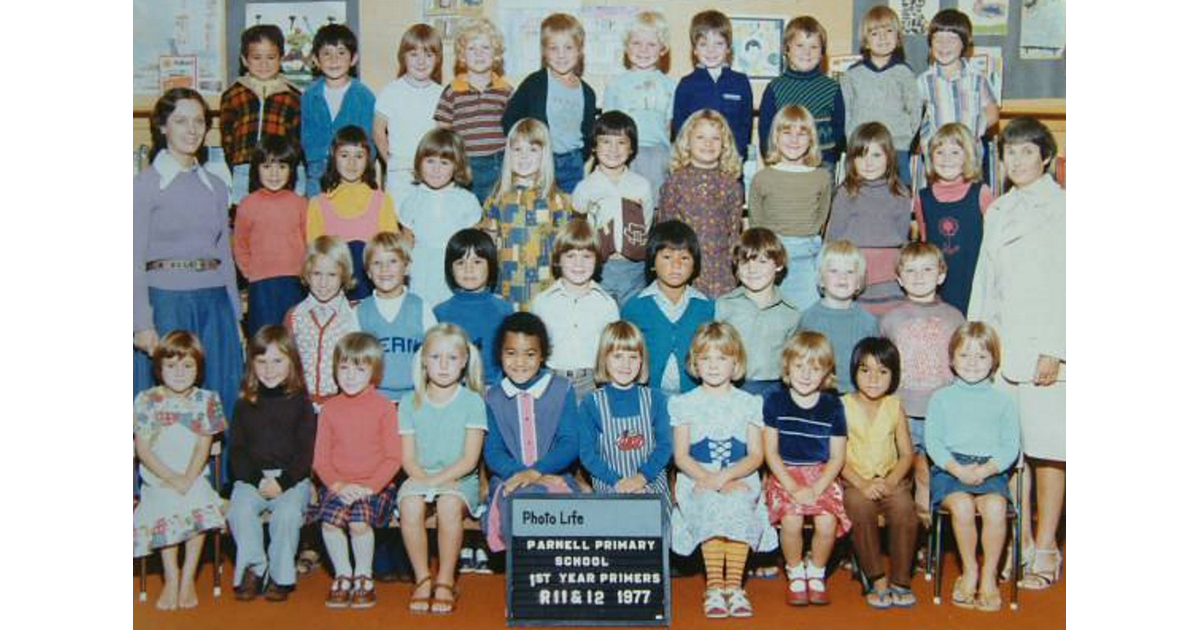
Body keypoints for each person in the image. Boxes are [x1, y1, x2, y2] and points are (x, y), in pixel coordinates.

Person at [968, 117, 1065, 592]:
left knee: (1049, 451)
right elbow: (985, 280)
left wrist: (1057, 349)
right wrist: (977, 341)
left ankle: (1046, 546)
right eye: (1011, 153)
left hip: (1048, 350)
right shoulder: (998, 209)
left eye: (1029, 152)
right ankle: (1019, 543)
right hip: (1003, 346)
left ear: (1046, 156)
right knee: (1011, 451)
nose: (1019, 160)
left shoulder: (1066, 209)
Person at [134, 88, 243, 422]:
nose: (192, 129)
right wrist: (141, 323)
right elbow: (131, 259)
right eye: (181, 121)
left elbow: (224, 254)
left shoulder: (216, 185)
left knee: (218, 399)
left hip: (214, 306)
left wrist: (236, 318)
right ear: (162, 127)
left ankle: (217, 475)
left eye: (199, 121)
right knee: (166, 407)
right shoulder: (145, 185)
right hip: (165, 303)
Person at [670, 323, 777, 619]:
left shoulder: (750, 403)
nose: (713, 366)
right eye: (706, 358)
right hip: (697, 476)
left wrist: (726, 477)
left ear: (736, 362)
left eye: (721, 358)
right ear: (695, 362)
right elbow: (681, 455)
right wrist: (708, 479)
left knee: (737, 502)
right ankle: (715, 585)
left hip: (740, 474)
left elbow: (756, 455)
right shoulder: (684, 403)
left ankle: (734, 586)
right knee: (710, 502)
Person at [925, 322, 1020, 613]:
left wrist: (987, 469)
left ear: (994, 360)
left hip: (990, 469)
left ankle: (989, 576)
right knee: (963, 507)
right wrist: (957, 469)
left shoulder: (1004, 401)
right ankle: (970, 571)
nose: (973, 363)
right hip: (951, 469)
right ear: (952, 359)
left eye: (981, 357)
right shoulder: (941, 398)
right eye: (965, 356)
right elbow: (934, 442)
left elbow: (1009, 446)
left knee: (993, 509)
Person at [397, 324, 488, 614]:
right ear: (424, 360)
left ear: (464, 362)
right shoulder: (409, 402)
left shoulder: (473, 402)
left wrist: (438, 482)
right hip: (420, 475)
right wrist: (425, 481)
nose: (444, 366)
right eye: (436, 357)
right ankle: (423, 577)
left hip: (460, 479)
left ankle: (446, 579)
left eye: (452, 358)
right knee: (410, 505)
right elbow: (409, 459)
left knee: (449, 506)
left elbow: (469, 461)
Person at [133, 331, 227, 611]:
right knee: (166, 509)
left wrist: (187, 478)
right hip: (158, 480)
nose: (179, 373)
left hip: (194, 477)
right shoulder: (147, 400)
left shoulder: (207, 400)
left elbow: (203, 447)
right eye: (171, 365)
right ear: (159, 367)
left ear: (199, 368)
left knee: (198, 505)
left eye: (187, 366)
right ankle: (171, 576)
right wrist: (170, 478)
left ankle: (188, 576)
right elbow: (143, 450)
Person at [313, 333, 404, 609]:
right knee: (330, 521)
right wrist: (338, 486)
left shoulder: (385, 408)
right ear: (335, 369)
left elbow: (393, 458)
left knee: (357, 521)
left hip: (375, 486)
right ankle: (343, 574)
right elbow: (320, 460)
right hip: (338, 484)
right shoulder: (329, 410)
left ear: (374, 373)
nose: (350, 376)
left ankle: (364, 575)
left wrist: (369, 487)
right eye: (344, 368)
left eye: (360, 369)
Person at [227, 325, 316, 603]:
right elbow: (237, 451)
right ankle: (255, 567)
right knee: (239, 510)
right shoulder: (244, 404)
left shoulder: (301, 403)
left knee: (288, 514)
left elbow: (306, 452)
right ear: (251, 364)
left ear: (292, 362)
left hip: (291, 479)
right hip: (252, 478)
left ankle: (281, 575)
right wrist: (258, 481)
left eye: (277, 361)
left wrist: (283, 482)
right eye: (261, 361)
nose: (269, 369)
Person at [481, 312, 583, 552]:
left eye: (530, 354)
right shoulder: (493, 396)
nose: (520, 362)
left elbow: (569, 442)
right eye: (511, 353)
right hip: (509, 478)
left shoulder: (561, 389)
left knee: (561, 509)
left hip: (553, 476)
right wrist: (522, 475)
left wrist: (537, 472)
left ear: (542, 356)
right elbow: (493, 451)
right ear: (500, 355)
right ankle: (525, 577)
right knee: (515, 507)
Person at [762, 331, 850, 607]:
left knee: (826, 521)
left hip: (820, 476)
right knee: (792, 519)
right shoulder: (775, 400)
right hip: (784, 474)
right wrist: (792, 487)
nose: (806, 375)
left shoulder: (833, 405)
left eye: (815, 368)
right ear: (787, 366)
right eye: (799, 366)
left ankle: (816, 572)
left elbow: (837, 458)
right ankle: (795, 571)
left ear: (826, 372)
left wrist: (816, 487)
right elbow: (771, 452)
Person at [878, 242, 964, 520]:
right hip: (901, 411)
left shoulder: (954, 316)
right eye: (911, 270)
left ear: (941, 275)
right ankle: (905, 539)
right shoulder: (889, 319)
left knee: (929, 477)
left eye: (927, 269)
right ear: (900, 279)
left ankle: (928, 542)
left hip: (941, 413)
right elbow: (881, 369)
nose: (919, 276)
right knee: (900, 478)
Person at [839, 337, 918, 609]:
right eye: (865, 370)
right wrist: (861, 483)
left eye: (882, 372)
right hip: (854, 481)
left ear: (893, 376)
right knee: (859, 507)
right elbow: (835, 457)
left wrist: (891, 481)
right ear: (854, 372)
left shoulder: (895, 407)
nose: (873, 379)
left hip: (889, 480)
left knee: (905, 507)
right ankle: (876, 577)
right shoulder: (843, 406)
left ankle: (900, 580)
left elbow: (907, 454)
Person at [479, 118, 573, 311]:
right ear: (509, 153)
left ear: (544, 155)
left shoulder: (558, 201)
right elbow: (486, 248)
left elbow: (565, 251)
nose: (524, 156)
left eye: (533, 149)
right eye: (517, 149)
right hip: (506, 293)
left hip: (546, 294)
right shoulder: (497, 200)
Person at [747, 105, 831, 311]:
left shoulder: (821, 177)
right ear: (776, 137)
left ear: (811, 139)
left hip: (808, 257)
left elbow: (822, 217)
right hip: (772, 257)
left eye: (802, 134)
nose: (794, 140)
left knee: (807, 318)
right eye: (787, 132)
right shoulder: (762, 178)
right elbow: (756, 223)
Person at [306, 125, 403, 301]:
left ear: (368, 160)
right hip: (332, 296)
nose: (351, 163)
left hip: (373, 294)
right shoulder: (318, 204)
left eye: (359, 156)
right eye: (344, 155)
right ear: (333, 157)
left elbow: (391, 252)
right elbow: (314, 259)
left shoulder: (382, 201)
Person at [502, 13, 595, 195]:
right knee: (537, 212)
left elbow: (588, 131)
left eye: (568, 47)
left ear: (580, 50)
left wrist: (579, 156)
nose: (561, 55)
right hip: (538, 163)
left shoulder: (587, 93)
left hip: (572, 164)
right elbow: (510, 120)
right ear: (544, 51)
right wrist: (527, 151)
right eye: (553, 48)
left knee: (569, 214)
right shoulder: (534, 83)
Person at [826, 122, 912, 316]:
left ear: (889, 158)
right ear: (852, 160)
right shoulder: (845, 193)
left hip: (890, 280)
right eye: (861, 155)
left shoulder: (901, 194)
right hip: (853, 276)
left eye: (876, 155)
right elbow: (833, 240)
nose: (868, 163)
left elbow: (901, 236)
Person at [571, 110, 655, 306]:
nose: (613, 149)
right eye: (606, 141)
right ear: (594, 146)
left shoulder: (641, 186)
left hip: (634, 268)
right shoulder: (585, 188)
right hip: (599, 268)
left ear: (632, 148)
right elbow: (578, 229)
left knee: (632, 321)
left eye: (621, 142)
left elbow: (647, 223)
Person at [578, 321, 672, 495]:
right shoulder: (591, 403)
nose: (626, 364)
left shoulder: (656, 400)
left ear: (642, 359)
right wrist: (616, 481)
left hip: (650, 480)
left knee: (647, 512)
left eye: (633, 357)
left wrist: (642, 478)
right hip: (609, 482)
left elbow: (665, 446)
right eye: (617, 356)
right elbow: (587, 454)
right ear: (604, 359)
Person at [621, 220, 714, 395]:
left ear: (695, 265)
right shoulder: (634, 308)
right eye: (667, 257)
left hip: (695, 399)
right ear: (652, 262)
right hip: (648, 399)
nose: (676, 265)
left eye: (684, 258)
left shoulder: (707, 307)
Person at [658, 109, 744, 298]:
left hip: (721, 273)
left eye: (715, 138)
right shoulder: (674, 183)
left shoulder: (731, 185)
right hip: (683, 271)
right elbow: (664, 234)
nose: (708, 143)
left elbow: (734, 234)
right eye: (700, 137)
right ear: (687, 142)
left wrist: (736, 271)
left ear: (725, 145)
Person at [531, 219, 620, 402]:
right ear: (558, 259)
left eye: (587, 256)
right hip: (551, 380)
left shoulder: (607, 304)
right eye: (570, 256)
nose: (579, 264)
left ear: (597, 260)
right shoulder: (542, 302)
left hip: (592, 382)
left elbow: (613, 352)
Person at [915, 122, 994, 315]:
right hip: (939, 289)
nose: (946, 159)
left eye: (955, 152)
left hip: (975, 284)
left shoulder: (981, 193)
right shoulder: (922, 198)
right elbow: (925, 243)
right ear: (931, 157)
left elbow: (995, 244)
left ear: (968, 156)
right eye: (940, 152)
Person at [398, 129, 482, 308]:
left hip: (455, 267)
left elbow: (474, 243)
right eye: (430, 161)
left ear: (457, 166)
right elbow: (406, 240)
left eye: (444, 163)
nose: (436, 169)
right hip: (420, 269)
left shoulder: (466, 200)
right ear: (419, 163)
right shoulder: (412, 200)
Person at [233, 136, 307, 334]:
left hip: (295, 282)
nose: (274, 174)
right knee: (264, 339)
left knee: (294, 340)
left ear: (291, 170)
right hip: (261, 286)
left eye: (282, 167)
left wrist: (305, 274)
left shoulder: (300, 204)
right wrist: (250, 272)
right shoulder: (247, 204)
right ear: (256, 169)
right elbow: (240, 245)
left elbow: (309, 244)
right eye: (267, 166)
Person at [220, 24, 302, 203]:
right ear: (244, 60)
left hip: (280, 169)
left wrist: (289, 164)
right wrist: (236, 161)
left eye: (271, 57)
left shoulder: (292, 96)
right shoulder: (233, 94)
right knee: (244, 216)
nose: (264, 64)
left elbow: (297, 139)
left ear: (281, 58)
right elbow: (227, 136)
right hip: (243, 167)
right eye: (256, 57)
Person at [840, 5, 921, 186]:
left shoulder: (905, 73)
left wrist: (904, 138)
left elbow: (915, 111)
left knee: (896, 199)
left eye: (889, 31)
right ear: (866, 41)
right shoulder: (852, 75)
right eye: (875, 33)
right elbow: (846, 112)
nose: (883, 38)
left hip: (896, 149)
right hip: (862, 152)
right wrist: (853, 140)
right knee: (860, 200)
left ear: (898, 38)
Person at [715, 228, 800, 397]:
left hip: (776, 391)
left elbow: (793, 361)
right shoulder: (724, 306)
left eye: (762, 261)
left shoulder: (791, 313)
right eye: (745, 262)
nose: (752, 269)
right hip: (732, 388)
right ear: (736, 266)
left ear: (778, 264)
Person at [435, 18, 512, 203]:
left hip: (498, 164)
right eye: (472, 48)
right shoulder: (452, 90)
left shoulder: (506, 91)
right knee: (466, 217)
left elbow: (514, 131)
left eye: (485, 48)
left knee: (496, 214)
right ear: (462, 55)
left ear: (496, 54)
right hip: (464, 166)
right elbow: (443, 132)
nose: (479, 54)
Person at [355, 231, 438, 402]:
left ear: (406, 267)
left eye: (393, 261)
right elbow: (353, 360)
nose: (385, 269)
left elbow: (436, 352)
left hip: (415, 398)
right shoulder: (360, 311)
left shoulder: (420, 307)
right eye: (377, 263)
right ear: (368, 271)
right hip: (374, 399)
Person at [916, 9, 999, 178]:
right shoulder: (924, 81)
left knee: (970, 200)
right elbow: (912, 118)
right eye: (938, 39)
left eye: (952, 39)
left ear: (965, 43)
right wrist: (924, 141)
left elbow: (992, 111)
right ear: (930, 44)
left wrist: (974, 131)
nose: (944, 45)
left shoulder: (977, 79)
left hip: (970, 160)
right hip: (937, 161)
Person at [604, 10, 675, 203]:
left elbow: (669, 126)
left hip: (659, 154)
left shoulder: (670, 85)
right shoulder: (615, 85)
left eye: (651, 44)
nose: (643, 50)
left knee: (658, 205)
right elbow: (608, 127)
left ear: (662, 48)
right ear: (626, 47)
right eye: (636, 43)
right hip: (624, 154)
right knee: (626, 206)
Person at [758, 16, 845, 169]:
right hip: (783, 164)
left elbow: (839, 128)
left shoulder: (832, 88)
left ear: (822, 53)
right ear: (787, 49)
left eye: (814, 47)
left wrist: (830, 157)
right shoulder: (775, 87)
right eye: (800, 45)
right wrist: (773, 160)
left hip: (822, 164)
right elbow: (765, 130)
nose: (807, 52)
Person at [301, 23, 376, 197]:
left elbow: (369, 142)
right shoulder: (309, 96)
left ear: (354, 59)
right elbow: (305, 138)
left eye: (341, 53)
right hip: (317, 176)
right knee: (317, 222)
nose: (334, 60)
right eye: (327, 53)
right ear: (316, 60)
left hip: (355, 176)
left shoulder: (364, 96)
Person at [374, 23, 444, 204]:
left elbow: (444, 134)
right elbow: (378, 131)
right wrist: (390, 161)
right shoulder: (391, 91)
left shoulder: (442, 94)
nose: (421, 62)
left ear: (437, 59)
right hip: (400, 169)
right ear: (403, 57)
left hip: (432, 169)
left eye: (428, 55)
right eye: (414, 55)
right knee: (398, 218)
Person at [796, 240, 879, 394]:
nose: (842, 278)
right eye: (834, 271)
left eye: (850, 272)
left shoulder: (869, 322)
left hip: (857, 397)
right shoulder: (808, 319)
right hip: (818, 395)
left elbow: (874, 367)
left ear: (859, 282)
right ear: (821, 279)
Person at [434, 228, 513, 386]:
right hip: (453, 391)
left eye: (477, 262)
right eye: (460, 262)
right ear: (450, 268)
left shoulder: (504, 311)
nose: (468, 269)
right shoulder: (440, 313)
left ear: (490, 266)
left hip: (494, 391)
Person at [285, 236, 360, 403]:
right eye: (317, 274)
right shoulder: (295, 315)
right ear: (307, 274)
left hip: (341, 404)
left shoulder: (354, 314)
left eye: (332, 275)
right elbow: (287, 364)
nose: (323, 283)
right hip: (302, 404)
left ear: (344, 276)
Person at [671, 10, 753, 160]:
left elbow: (745, 126)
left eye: (719, 43)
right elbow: (679, 128)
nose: (711, 50)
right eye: (703, 44)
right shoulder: (686, 84)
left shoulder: (741, 82)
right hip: (695, 162)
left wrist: (737, 155)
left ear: (728, 48)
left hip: (731, 162)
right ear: (694, 49)